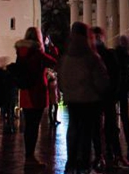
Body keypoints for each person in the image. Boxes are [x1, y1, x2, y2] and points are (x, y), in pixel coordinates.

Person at [58, 22, 109, 174]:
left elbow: (61, 81)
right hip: (89, 100)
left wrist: (68, 91)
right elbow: (102, 81)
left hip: (72, 100)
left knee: (73, 129)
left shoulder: (66, 57)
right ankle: (84, 165)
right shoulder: (91, 57)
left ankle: (71, 162)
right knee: (86, 133)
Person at [15, 26, 57, 165]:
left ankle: (29, 155)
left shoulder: (21, 52)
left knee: (29, 126)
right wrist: (50, 47)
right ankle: (30, 156)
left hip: (25, 93)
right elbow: (54, 61)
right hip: (37, 93)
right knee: (34, 126)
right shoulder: (37, 53)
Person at [91, 26, 127, 170]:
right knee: (101, 127)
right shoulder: (98, 55)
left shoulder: (102, 55)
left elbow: (116, 74)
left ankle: (109, 154)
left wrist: (113, 92)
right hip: (101, 96)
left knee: (108, 126)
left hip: (105, 96)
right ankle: (105, 154)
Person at [113, 35, 129, 162]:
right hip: (122, 90)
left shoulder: (115, 55)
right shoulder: (126, 57)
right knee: (125, 118)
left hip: (115, 89)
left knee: (114, 116)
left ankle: (114, 147)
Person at [44, 36, 61, 126]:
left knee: (54, 105)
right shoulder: (49, 71)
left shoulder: (52, 71)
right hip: (51, 90)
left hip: (53, 89)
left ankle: (53, 119)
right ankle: (52, 119)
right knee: (52, 105)